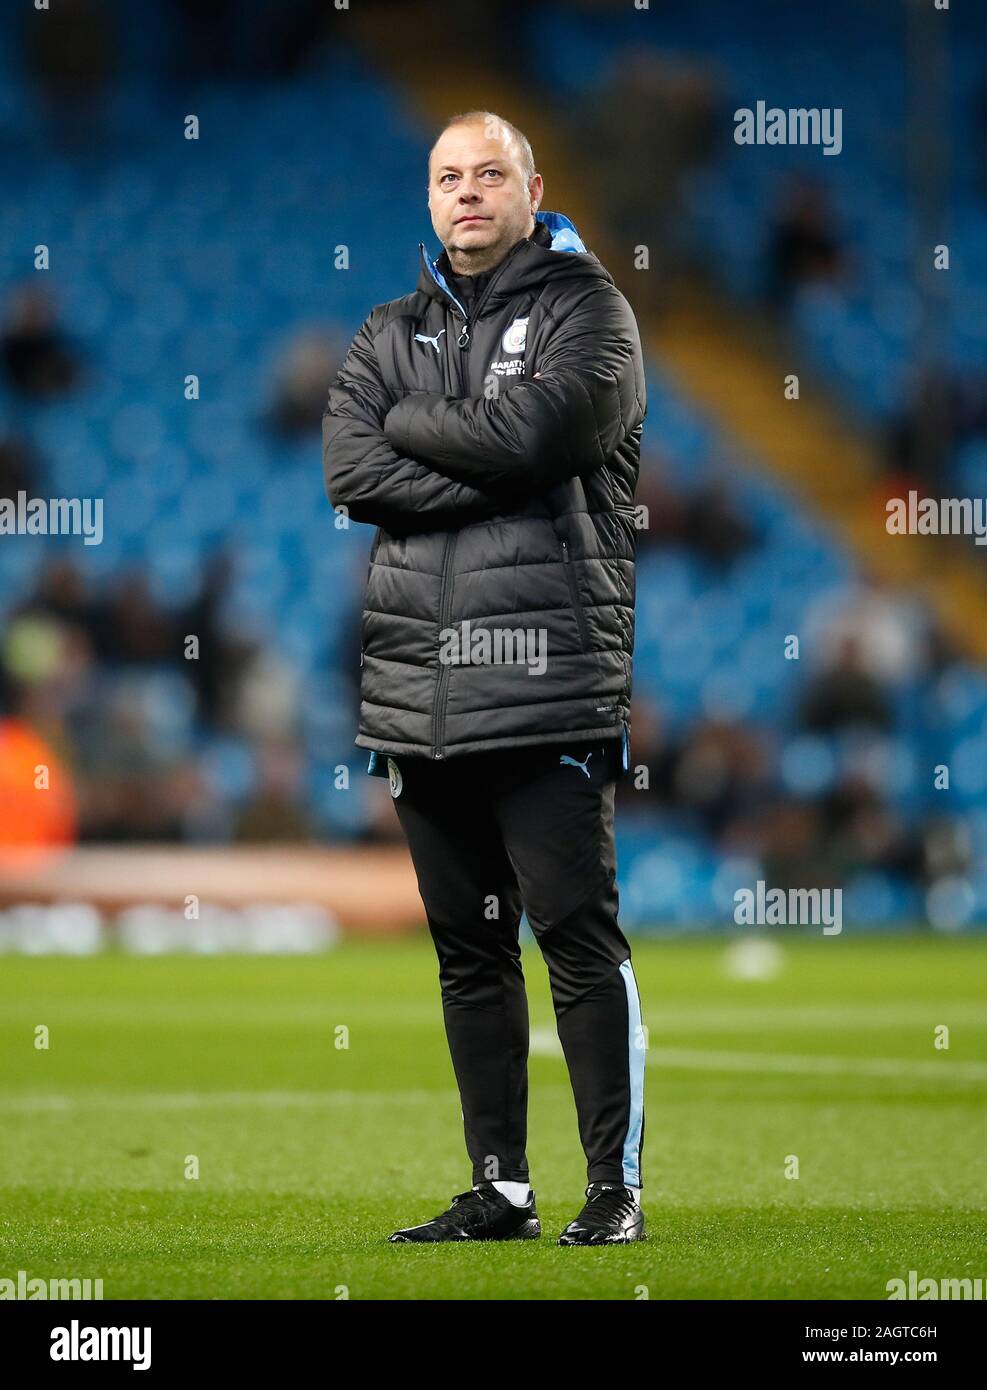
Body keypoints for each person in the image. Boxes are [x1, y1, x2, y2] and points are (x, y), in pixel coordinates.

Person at [323, 111, 647, 1245]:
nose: (467, 193)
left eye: (488, 174)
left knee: (574, 936)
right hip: (421, 691)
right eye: (448, 177)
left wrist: (420, 428)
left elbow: (542, 434)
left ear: (532, 185)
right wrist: (484, 452)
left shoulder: (591, 309)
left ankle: (616, 1188)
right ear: (429, 199)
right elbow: (349, 467)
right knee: (470, 952)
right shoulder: (388, 326)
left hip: (548, 679)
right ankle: (501, 1187)